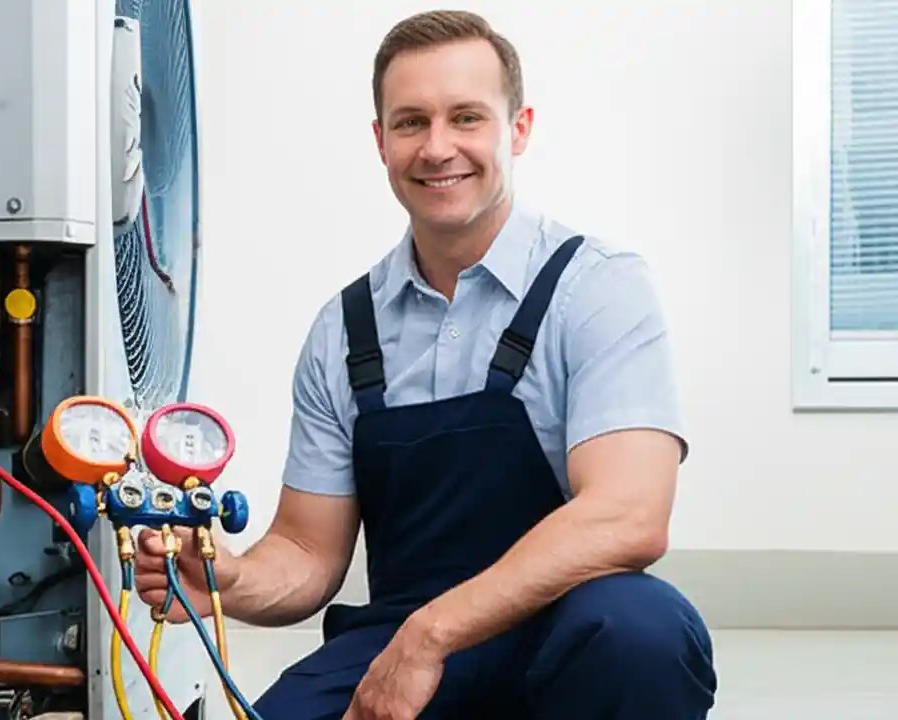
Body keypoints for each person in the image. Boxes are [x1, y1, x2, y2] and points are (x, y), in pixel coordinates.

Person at [134, 9, 716, 719]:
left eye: (466, 117)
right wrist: (227, 580)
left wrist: (432, 635)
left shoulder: (596, 287)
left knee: (641, 631)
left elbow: (628, 517)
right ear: (381, 142)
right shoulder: (344, 331)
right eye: (411, 123)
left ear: (519, 129)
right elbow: (308, 552)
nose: (438, 148)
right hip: (401, 626)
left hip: (566, 629)